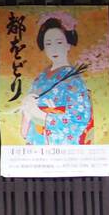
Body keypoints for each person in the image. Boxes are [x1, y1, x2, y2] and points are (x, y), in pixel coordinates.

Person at [20, 13, 93, 145]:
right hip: (35, 141)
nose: (53, 48)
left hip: (58, 143)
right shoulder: (40, 78)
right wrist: (28, 111)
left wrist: (43, 115)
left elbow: (79, 119)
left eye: (59, 42)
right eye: (48, 43)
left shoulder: (73, 80)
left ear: (68, 45)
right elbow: (25, 130)